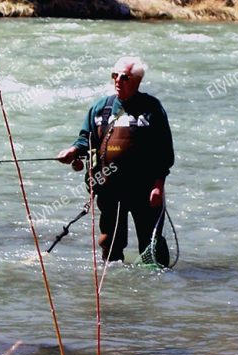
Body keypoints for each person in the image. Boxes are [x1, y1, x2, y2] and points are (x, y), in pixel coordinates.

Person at [57, 56, 174, 265]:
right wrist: (73, 150)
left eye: (125, 77)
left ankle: (157, 288)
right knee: (110, 247)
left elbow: (164, 151)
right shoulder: (101, 108)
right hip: (109, 189)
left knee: (151, 246)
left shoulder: (152, 108)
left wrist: (158, 185)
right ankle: (113, 287)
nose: (118, 80)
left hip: (145, 191)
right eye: (115, 76)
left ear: (137, 81)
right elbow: (86, 139)